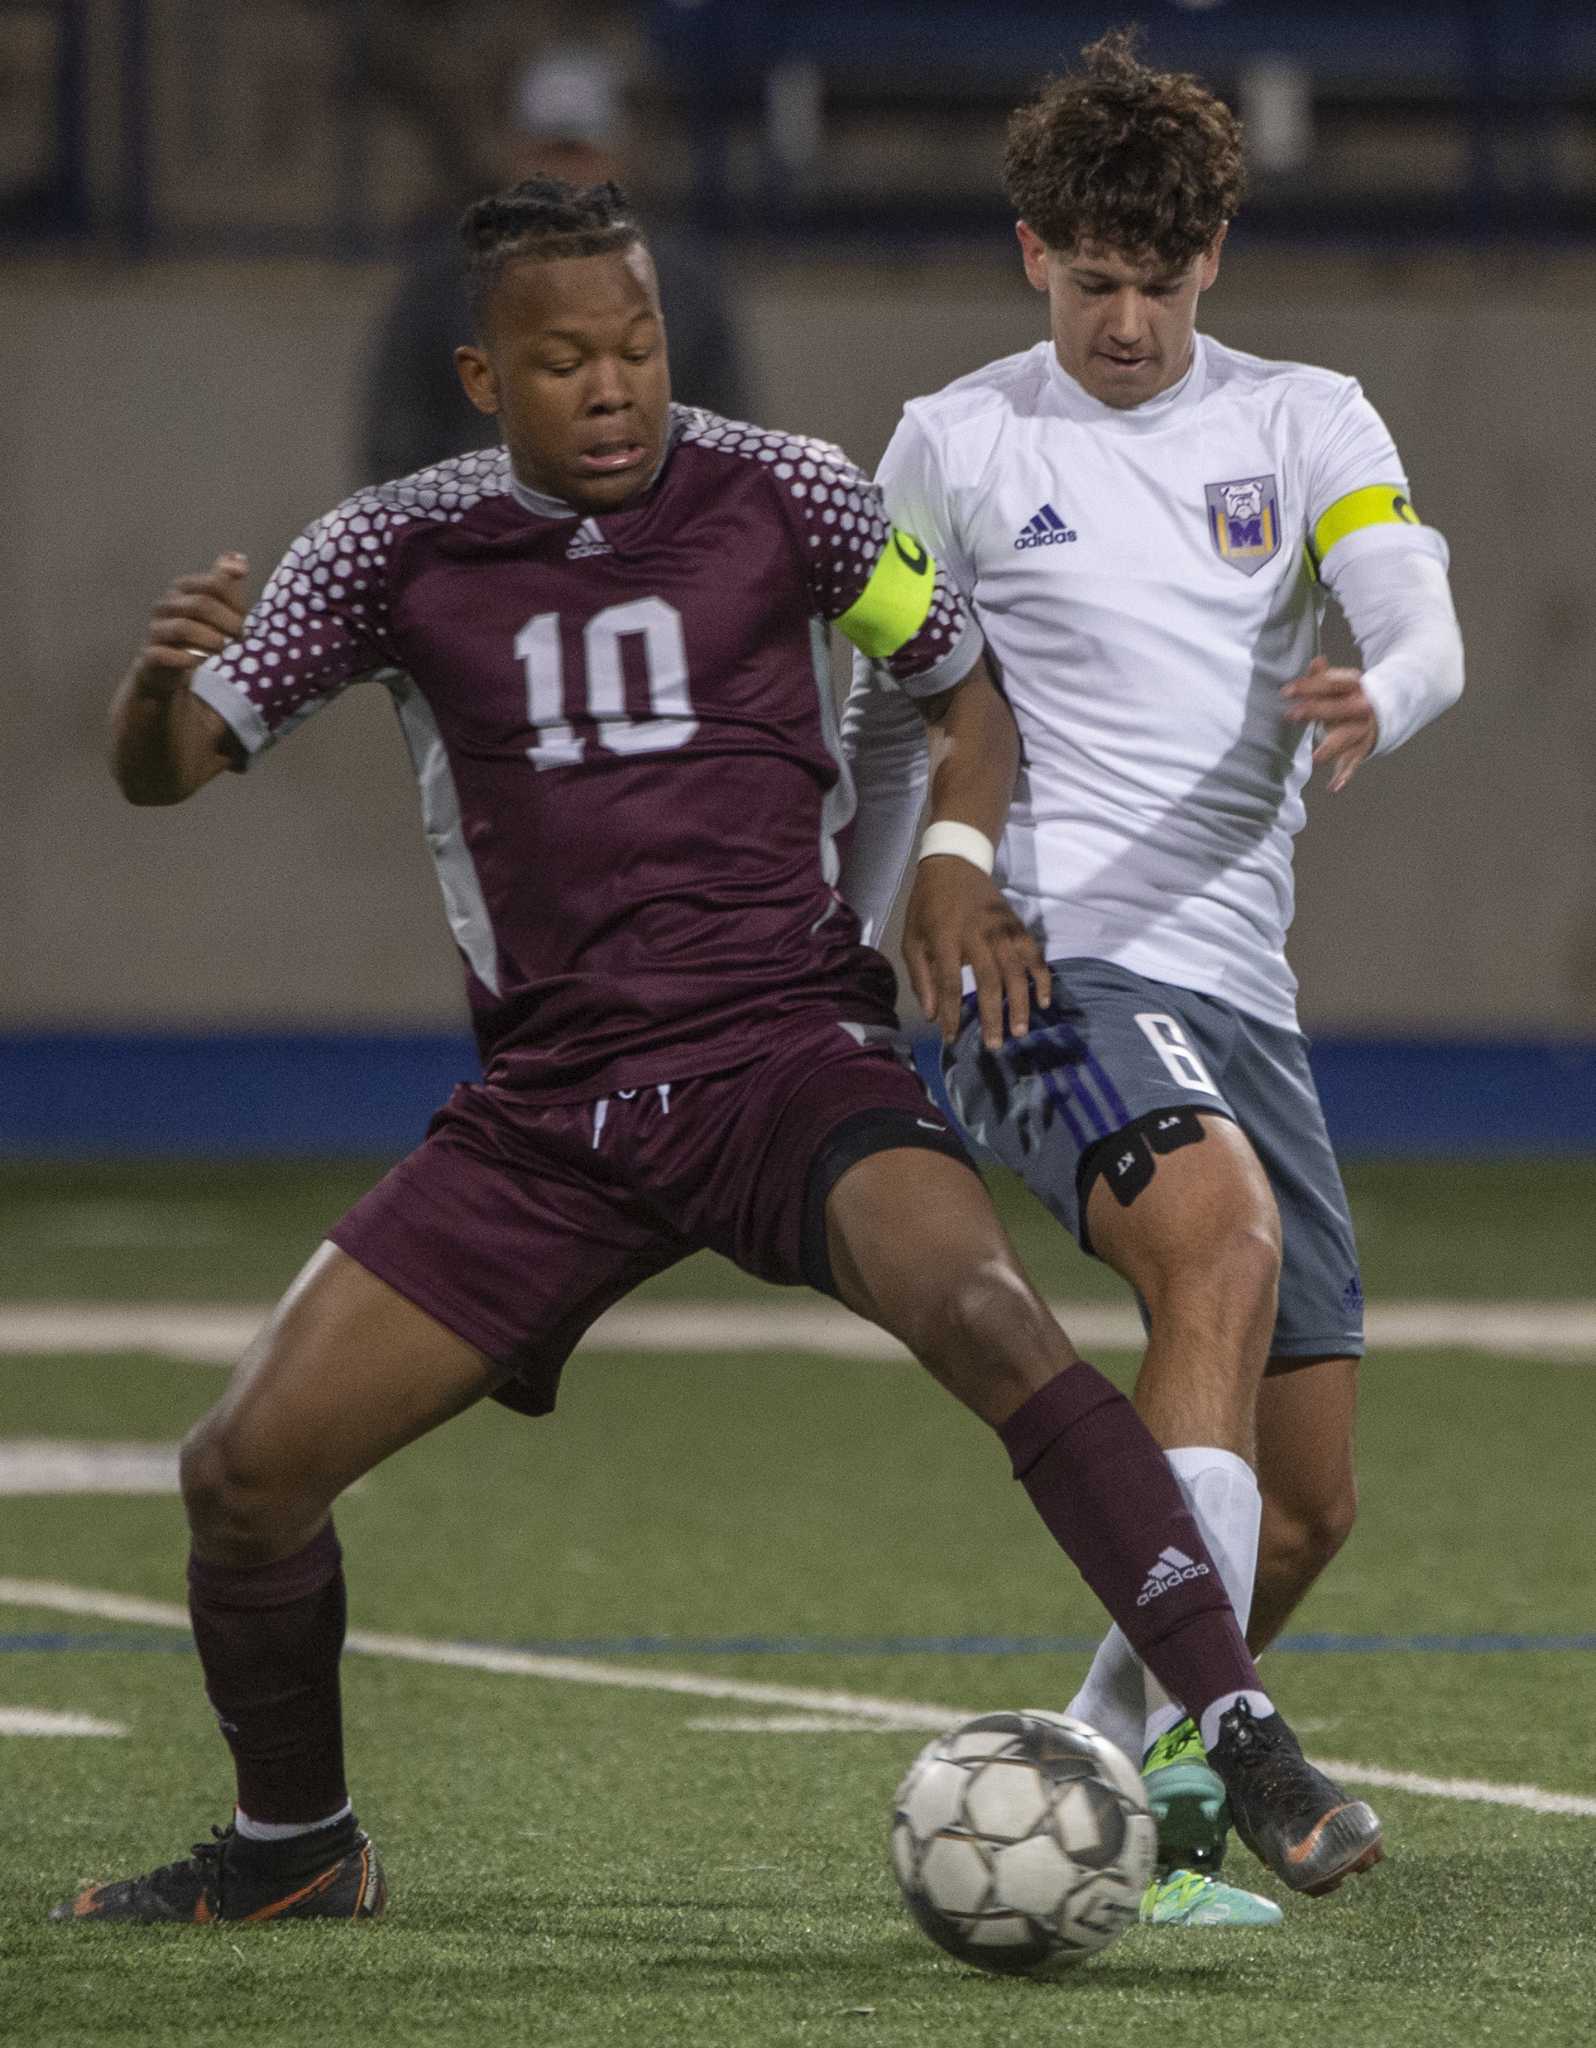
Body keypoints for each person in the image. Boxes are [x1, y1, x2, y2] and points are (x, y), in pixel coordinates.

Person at [52, 175, 1380, 1926]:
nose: (614, 388)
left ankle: (1239, 1731)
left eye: (639, 346)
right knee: (241, 1472)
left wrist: (953, 859)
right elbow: (170, 768)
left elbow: (963, 685)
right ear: (483, 378)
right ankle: (298, 1842)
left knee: (992, 1316)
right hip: (553, 1112)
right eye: (565, 362)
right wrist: (155, 689)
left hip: (784, 1057)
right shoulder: (386, 549)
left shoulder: (794, 493)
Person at [841, 30, 1461, 1930]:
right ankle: (1234, 1753)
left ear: (1216, 259)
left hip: (1236, 993)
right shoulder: (955, 442)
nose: (1125, 323)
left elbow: (1415, 603)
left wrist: (1386, 687)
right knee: (1216, 1242)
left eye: (1161, 284)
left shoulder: (1305, 421)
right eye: (1092, 280)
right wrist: (861, 950)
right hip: (1042, 965)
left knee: (1311, 1501)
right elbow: (880, 720)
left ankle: (1110, 1782)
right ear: (1033, 251)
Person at [362, 41, 747, 484]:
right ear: (513, 156)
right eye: (547, 152)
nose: (563, 175)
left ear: (617, 158)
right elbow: (396, 440)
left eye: (580, 152)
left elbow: (722, 446)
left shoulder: (685, 288)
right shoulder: (442, 284)